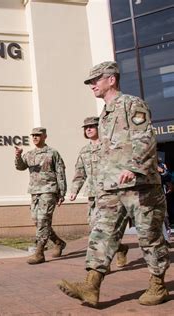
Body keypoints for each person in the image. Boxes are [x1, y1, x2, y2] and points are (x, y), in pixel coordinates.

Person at [58, 61, 170, 307]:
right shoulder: (105, 116)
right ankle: (91, 285)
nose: (92, 86)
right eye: (90, 82)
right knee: (102, 234)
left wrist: (134, 167)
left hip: (140, 186)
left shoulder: (132, 104)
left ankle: (157, 285)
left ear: (111, 79)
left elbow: (145, 138)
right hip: (111, 188)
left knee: (149, 236)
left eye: (96, 80)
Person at [69, 116, 129, 270]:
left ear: (99, 128)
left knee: (107, 229)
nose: (88, 129)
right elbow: (79, 173)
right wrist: (74, 190)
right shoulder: (84, 151)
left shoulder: (108, 146)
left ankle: (102, 264)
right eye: (86, 127)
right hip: (94, 195)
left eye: (92, 126)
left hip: (110, 193)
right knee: (96, 228)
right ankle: (120, 248)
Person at [15, 127, 67, 264]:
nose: (35, 138)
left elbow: (60, 172)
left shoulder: (52, 153)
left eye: (38, 135)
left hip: (49, 190)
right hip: (34, 191)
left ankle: (39, 252)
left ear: (45, 136)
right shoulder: (30, 154)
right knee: (37, 220)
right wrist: (18, 155)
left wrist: (62, 192)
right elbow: (20, 167)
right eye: (33, 136)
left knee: (43, 219)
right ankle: (58, 242)